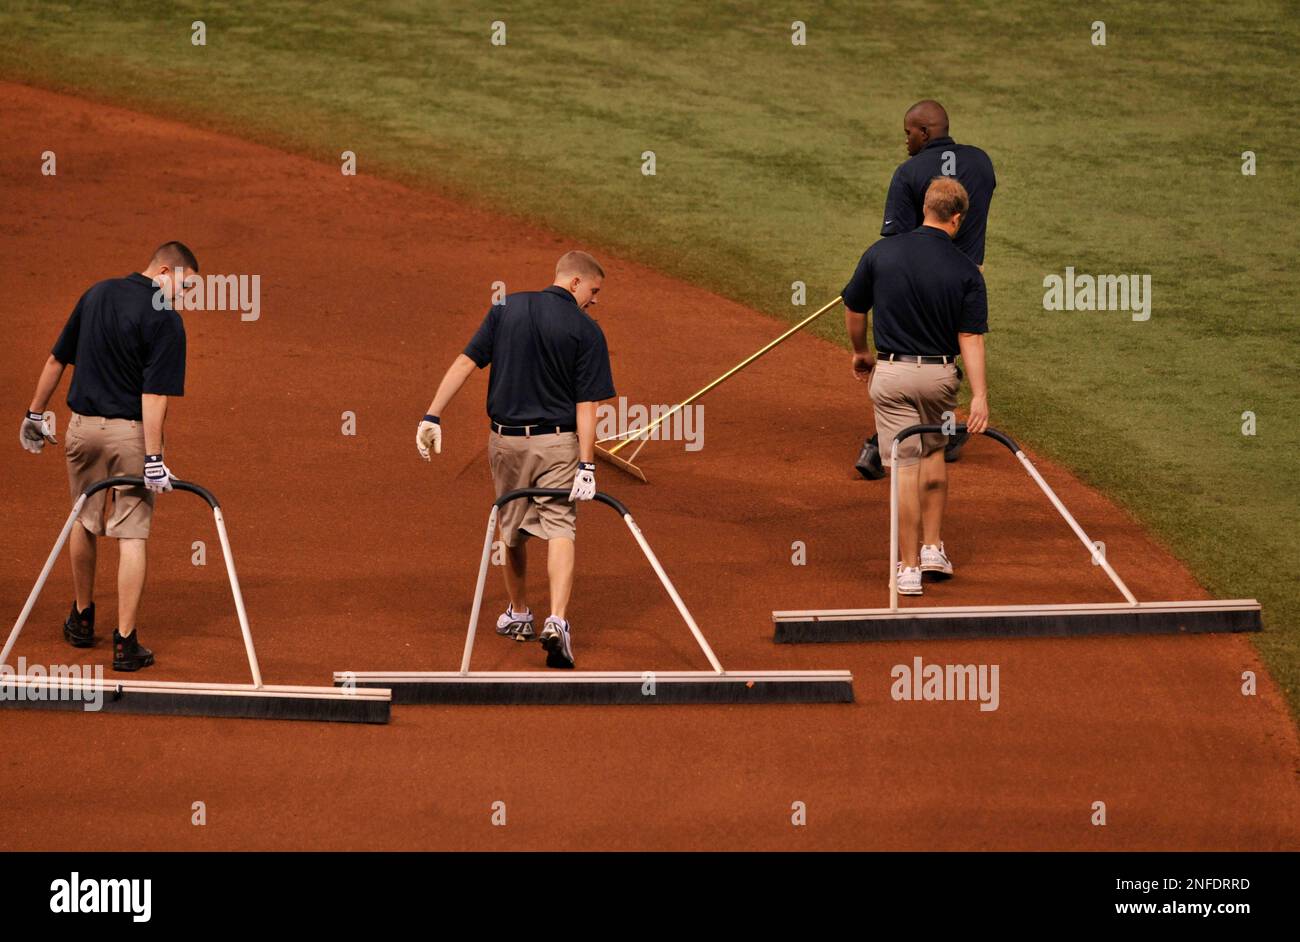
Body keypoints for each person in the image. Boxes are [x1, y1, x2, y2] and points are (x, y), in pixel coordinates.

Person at [417, 250, 615, 668]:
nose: (595, 300)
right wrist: (587, 463)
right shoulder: (587, 330)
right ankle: (557, 621)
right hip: (558, 444)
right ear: (575, 282)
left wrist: (432, 414)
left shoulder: (506, 306)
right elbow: (587, 404)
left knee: (511, 528)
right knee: (561, 524)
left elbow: (465, 362)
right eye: (594, 290)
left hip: (505, 444)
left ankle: (520, 613)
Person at [20, 242, 195, 670]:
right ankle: (125, 642)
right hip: (129, 437)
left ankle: (81, 619)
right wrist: (153, 458)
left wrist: (34, 412)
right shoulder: (166, 321)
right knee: (132, 533)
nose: (186, 297)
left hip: (81, 430)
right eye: (186, 286)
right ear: (165, 271)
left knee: (85, 519)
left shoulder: (97, 293)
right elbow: (153, 396)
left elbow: (58, 358)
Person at [842, 178, 989, 596]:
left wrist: (860, 352)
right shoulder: (965, 270)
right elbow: (970, 338)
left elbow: (854, 306)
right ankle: (931, 549)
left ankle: (907, 570)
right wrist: (979, 395)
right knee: (935, 451)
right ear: (957, 217)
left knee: (903, 466)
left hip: (891, 377)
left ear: (926, 207)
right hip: (939, 380)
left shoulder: (881, 252)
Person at [856, 99, 997, 477]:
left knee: (914, 348)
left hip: (918, 277)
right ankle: (942, 434)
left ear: (924, 132)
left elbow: (900, 241)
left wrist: (878, 269)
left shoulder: (909, 171)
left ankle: (886, 442)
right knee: (949, 351)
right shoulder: (982, 162)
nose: (906, 141)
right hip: (967, 276)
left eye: (908, 134)